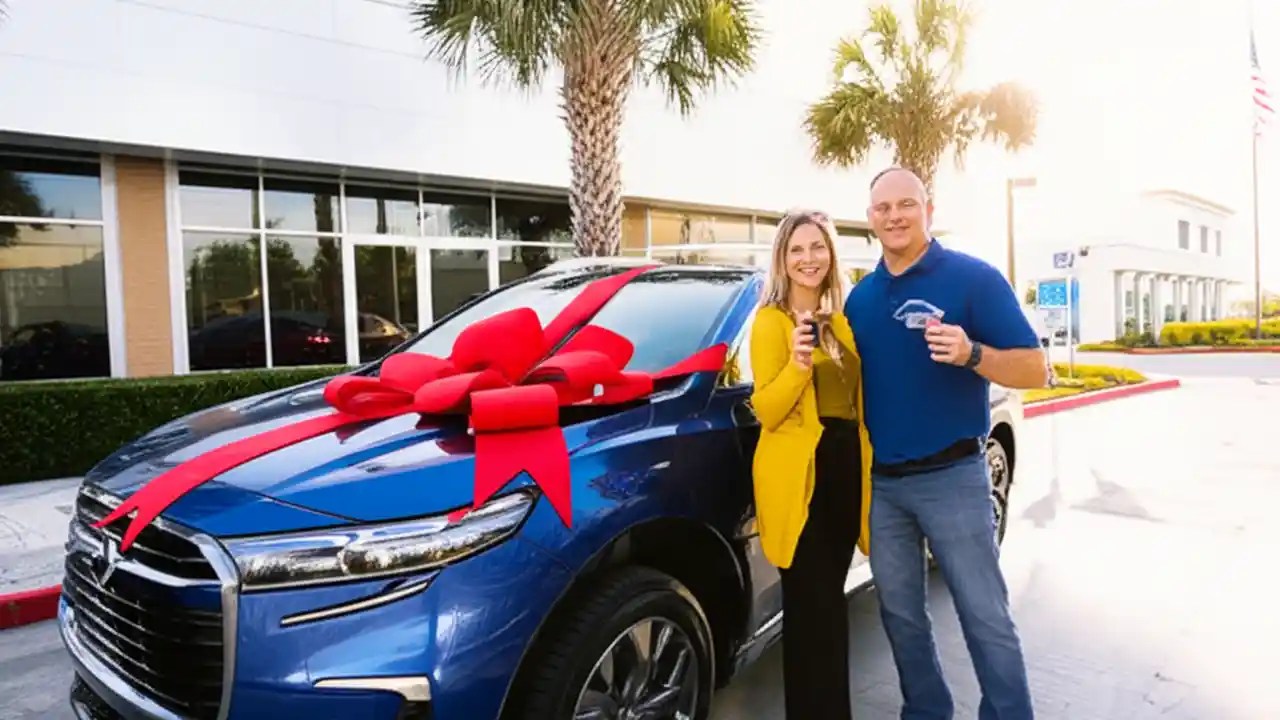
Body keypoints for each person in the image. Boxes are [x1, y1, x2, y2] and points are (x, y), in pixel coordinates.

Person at [845, 167, 1048, 720]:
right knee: (901, 616)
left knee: (984, 615)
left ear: (927, 210)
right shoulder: (860, 301)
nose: (894, 216)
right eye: (882, 208)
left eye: (905, 204)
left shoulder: (972, 280)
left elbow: (1037, 368)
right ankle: (927, 710)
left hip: (954, 479)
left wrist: (972, 354)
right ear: (870, 220)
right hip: (885, 486)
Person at [749, 209, 874, 720]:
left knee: (831, 610)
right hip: (801, 481)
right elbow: (769, 411)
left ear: (830, 254)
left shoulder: (839, 322)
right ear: (782, 258)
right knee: (809, 612)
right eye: (796, 250)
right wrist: (799, 365)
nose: (808, 258)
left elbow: (857, 402)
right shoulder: (771, 323)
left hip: (844, 473)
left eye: (816, 247)